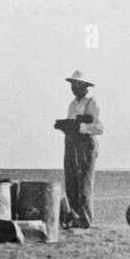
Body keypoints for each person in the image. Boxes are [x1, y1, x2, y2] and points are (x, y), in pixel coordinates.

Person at [54, 70, 103, 229]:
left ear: (85, 86)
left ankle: (85, 220)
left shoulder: (92, 102)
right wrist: (65, 126)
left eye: (76, 84)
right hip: (71, 144)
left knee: (84, 184)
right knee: (71, 183)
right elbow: (71, 125)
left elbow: (99, 128)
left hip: (85, 146)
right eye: (72, 84)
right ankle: (76, 218)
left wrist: (79, 126)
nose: (73, 87)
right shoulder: (73, 104)